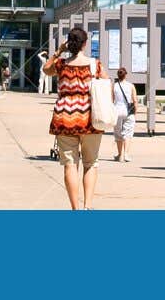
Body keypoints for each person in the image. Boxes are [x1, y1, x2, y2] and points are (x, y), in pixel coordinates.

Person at [43, 25, 106, 209]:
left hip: (65, 118)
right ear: (85, 44)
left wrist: (59, 51)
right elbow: (107, 84)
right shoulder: (95, 65)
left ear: (69, 44)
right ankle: (87, 206)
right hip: (90, 118)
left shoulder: (61, 65)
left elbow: (46, 69)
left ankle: (75, 209)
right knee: (91, 163)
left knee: (70, 165)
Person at [110, 66, 136, 162]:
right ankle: (126, 154)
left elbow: (111, 100)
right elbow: (135, 100)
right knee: (128, 133)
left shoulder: (114, 86)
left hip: (117, 111)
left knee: (118, 133)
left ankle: (120, 154)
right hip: (128, 111)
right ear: (126, 75)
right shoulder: (131, 85)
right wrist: (135, 112)